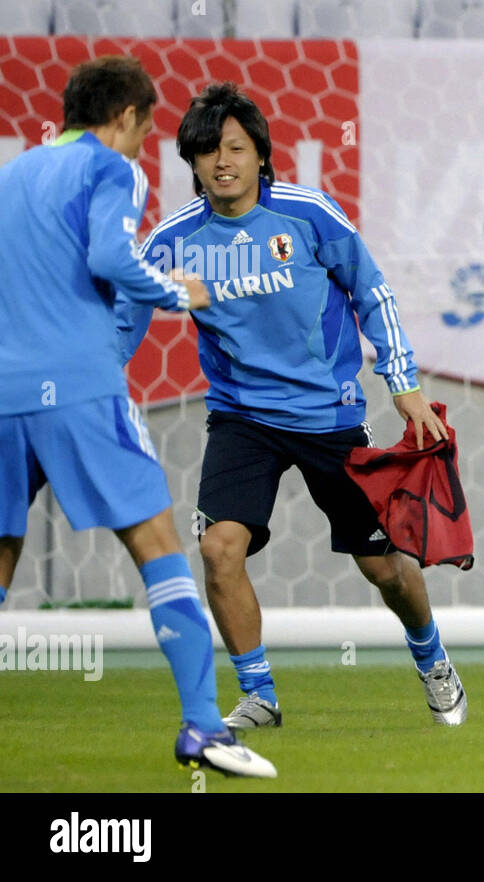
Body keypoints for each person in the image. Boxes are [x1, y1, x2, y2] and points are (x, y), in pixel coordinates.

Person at [119, 83, 466, 729]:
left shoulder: (310, 215)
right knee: (220, 549)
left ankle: (432, 658)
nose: (222, 162)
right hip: (241, 417)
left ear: (259, 155)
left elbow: (374, 293)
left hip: (330, 416)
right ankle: (260, 696)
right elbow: (124, 319)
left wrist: (402, 380)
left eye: (235, 148)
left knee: (385, 567)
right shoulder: (172, 239)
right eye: (207, 152)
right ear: (191, 163)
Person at [0, 56, 275, 777]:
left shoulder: (14, 175)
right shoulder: (112, 169)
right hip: (81, 386)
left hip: (4, 392)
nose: (143, 142)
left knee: (1, 550)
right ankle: (203, 728)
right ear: (125, 117)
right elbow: (110, 255)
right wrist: (180, 292)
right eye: (146, 127)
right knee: (158, 542)